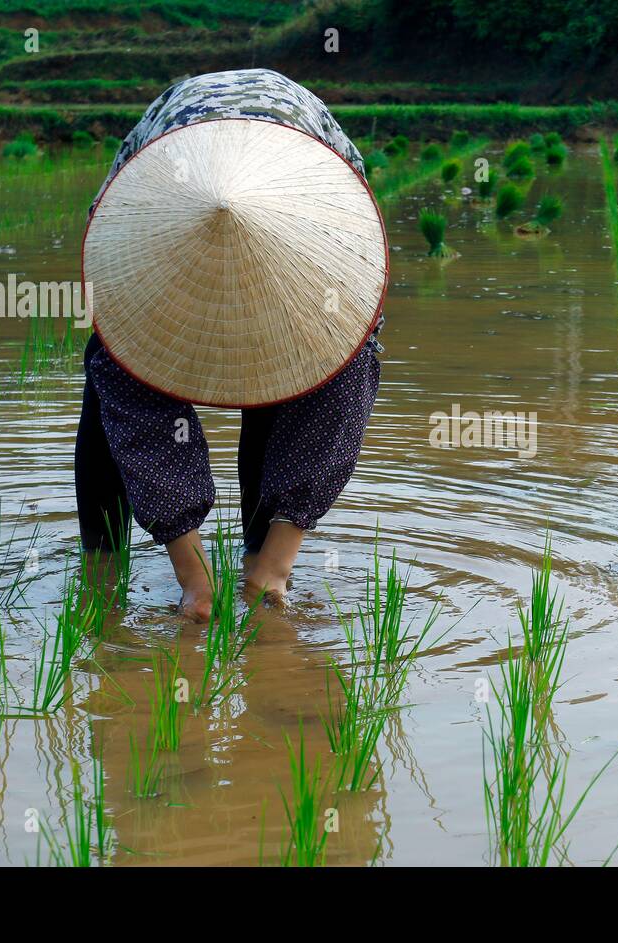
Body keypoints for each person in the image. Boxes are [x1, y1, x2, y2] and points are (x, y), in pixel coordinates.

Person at [75, 69, 387, 621]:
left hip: (296, 191)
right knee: (117, 377)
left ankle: (260, 561)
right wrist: (193, 581)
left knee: (296, 384)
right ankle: (102, 566)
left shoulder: (334, 259)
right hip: (167, 180)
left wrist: (274, 568)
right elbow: (144, 421)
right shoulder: (134, 237)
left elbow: (333, 420)